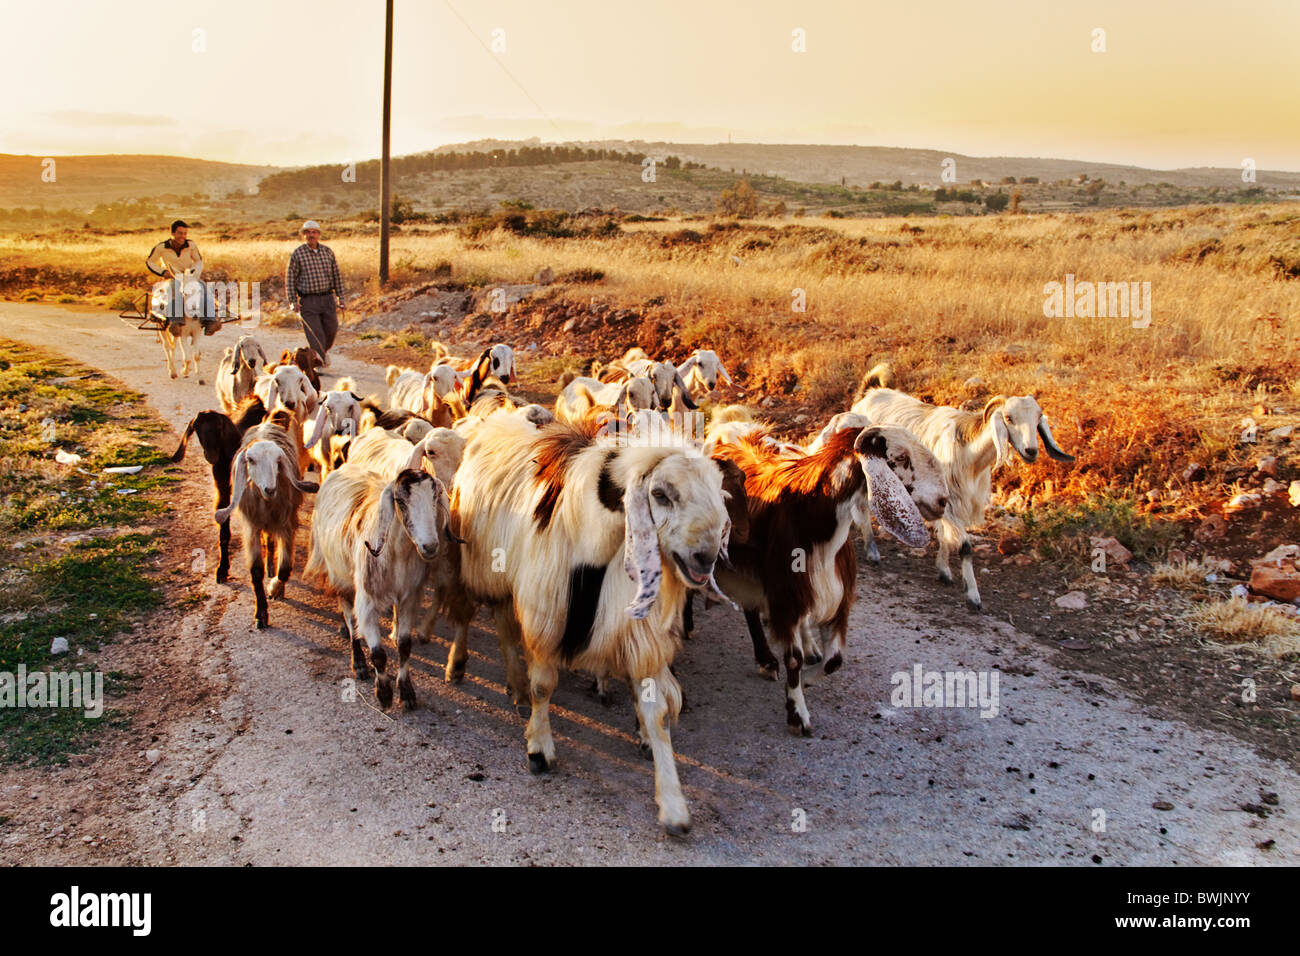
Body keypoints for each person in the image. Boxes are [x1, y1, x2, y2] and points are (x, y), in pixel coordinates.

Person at [285, 220, 345, 367]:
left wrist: (341, 297)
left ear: (318, 234)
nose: (311, 235)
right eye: (308, 232)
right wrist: (293, 301)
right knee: (315, 334)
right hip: (308, 301)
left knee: (331, 331)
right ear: (304, 235)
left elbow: (337, 275)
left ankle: (320, 354)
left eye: (314, 232)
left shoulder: (327, 252)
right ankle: (318, 363)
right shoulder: (297, 254)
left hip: (327, 299)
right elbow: (290, 278)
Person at [146, 220, 217, 333]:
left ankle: (210, 320)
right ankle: (176, 322)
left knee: (203, 288)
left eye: (185, 233)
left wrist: (193, 272)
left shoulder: (190, 245)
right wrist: (163, 272)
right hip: (172, 277)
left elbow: (198, 260)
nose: (182, 236)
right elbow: (150, 262)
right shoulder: (162, 247)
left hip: (188, 276)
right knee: (175, 289)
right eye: (180, 233)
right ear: (173, 233)